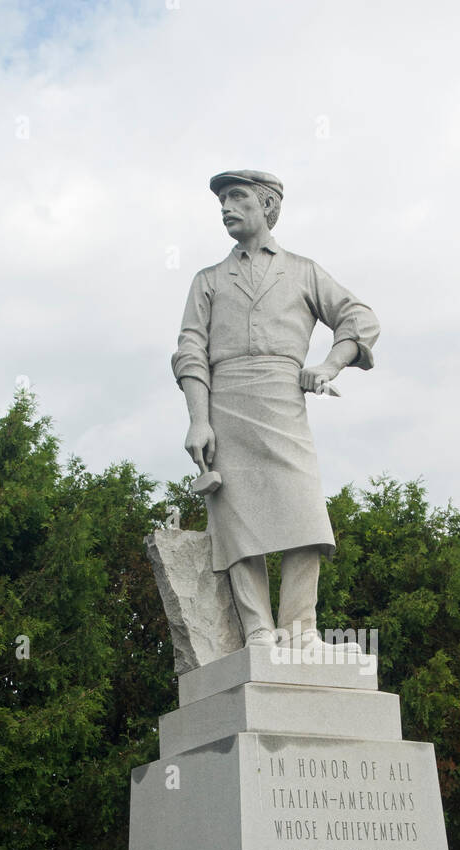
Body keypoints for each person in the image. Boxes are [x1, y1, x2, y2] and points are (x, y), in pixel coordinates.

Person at [172, 169, 380, 656]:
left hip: (284, 399)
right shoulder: (207, 280)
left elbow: (359, 317)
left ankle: (300, 628)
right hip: (225, 402)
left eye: (237, 197)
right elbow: (190, 350)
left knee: (305, 514)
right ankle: (258, 631)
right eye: (222, 199)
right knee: (237, 522)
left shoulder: (303, 270)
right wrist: (198, 418)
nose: (226, 206)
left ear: (267, 206)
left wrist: (329, 364)